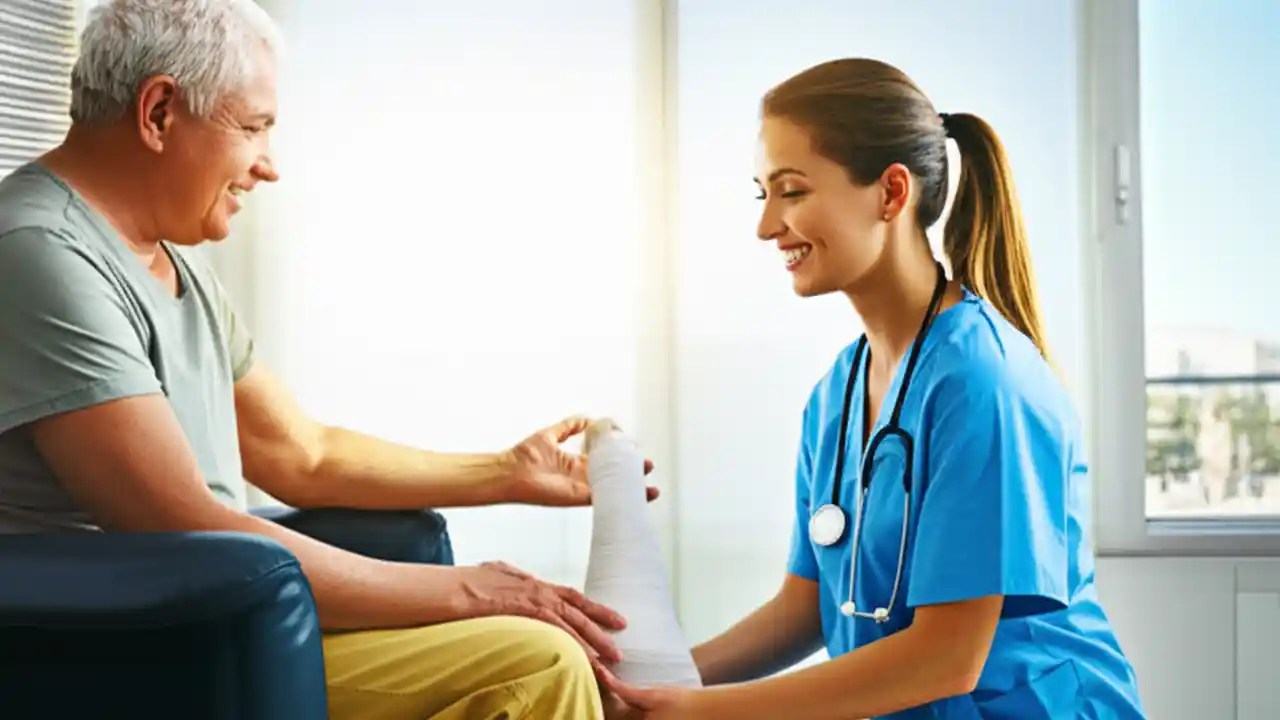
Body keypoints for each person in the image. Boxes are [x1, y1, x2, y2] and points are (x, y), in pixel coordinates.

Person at [0, 1, 655, 718]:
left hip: (224, 619)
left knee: (536, 647)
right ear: (159, 113)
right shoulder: (39, 253)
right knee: (539, 663)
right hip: (128, 645)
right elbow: (176, 520)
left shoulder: (167, 260)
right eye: (253, 127)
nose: (268, 165)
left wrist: (507, 472)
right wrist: (468, 588)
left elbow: (299, 453)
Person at [603, 58, 1147, 719]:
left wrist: (700, 712)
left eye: (792, 191)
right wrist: (652, 687)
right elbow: (804, 609)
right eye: (762, 194)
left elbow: (947, 657)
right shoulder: (835, 395)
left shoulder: (984, 383)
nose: (767, 225)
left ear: (891, 193)